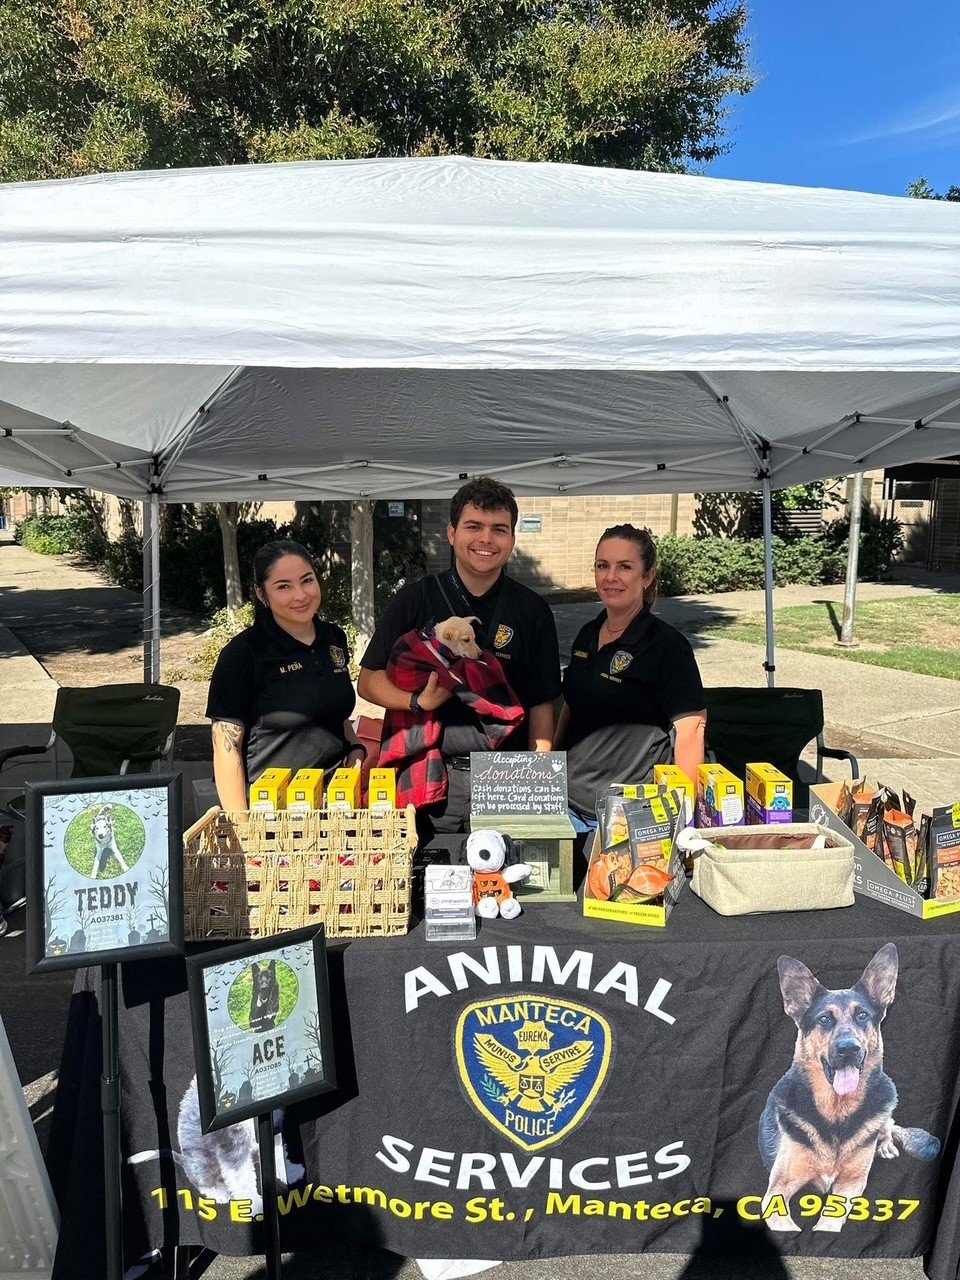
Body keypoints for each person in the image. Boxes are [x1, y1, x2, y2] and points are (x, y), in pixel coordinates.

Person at [358, 476, 561, 835]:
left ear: (512, 539)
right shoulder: (415, 600)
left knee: (506, 888)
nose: (486, 539)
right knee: (429, 887)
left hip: (506, 778)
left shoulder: (532, 610)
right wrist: (418, 701)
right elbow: (369, 681)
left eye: (499, 529)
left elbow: (542, 705)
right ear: (451, 533)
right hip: (430, 777)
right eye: (473, 526)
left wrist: (536, 783)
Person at [557, 524, 706, 830]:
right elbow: (570, 707)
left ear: (647, 576)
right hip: (567, 806)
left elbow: (692, 731)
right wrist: (547, 770)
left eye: (624, 567)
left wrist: (685, 821)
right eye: (603, 566)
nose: (610, 577)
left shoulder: (667, 646)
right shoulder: (587, 634)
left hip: (628, 815)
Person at [206, 540, 364, 810]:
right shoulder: (244, 654)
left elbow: (333, 712)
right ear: (261, 594)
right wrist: (243, 832)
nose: (301, 595)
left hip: (337, 804)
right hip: (272, 811)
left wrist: (356, 748)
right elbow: (225, 748)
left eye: (307, 580)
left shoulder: (333, 638)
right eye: (283, 586)